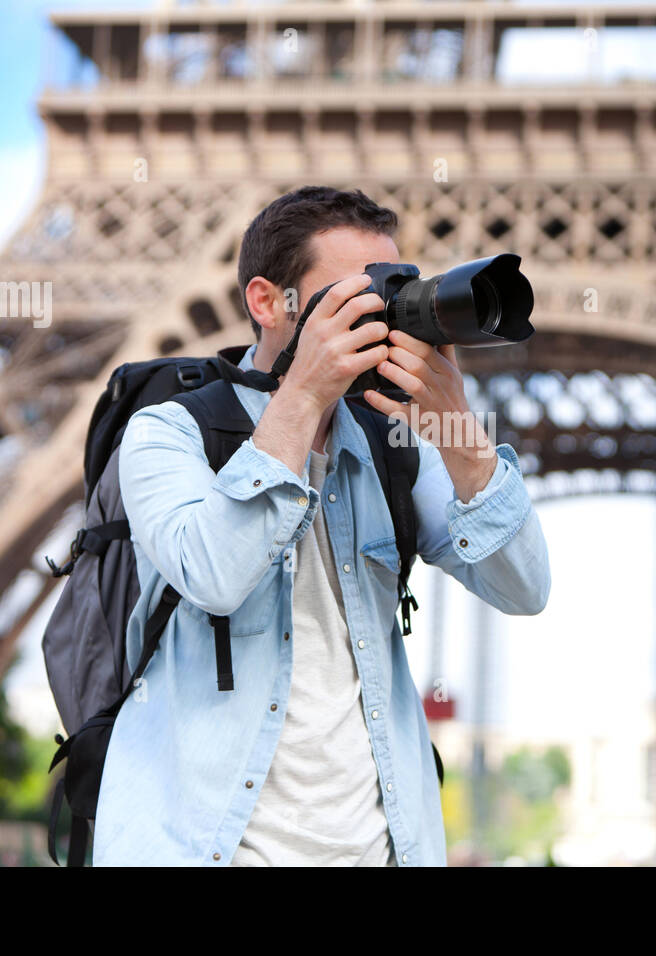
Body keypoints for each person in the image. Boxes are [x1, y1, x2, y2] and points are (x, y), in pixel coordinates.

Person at [94, 186, 551, 866]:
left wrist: (459, 433)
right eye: (351, 295)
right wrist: (304, 395)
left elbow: (525, 590)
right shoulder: (167, 431)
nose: (378, 312)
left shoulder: (391, 447)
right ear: (266, 301)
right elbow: (214, 576)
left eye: (391, 290)